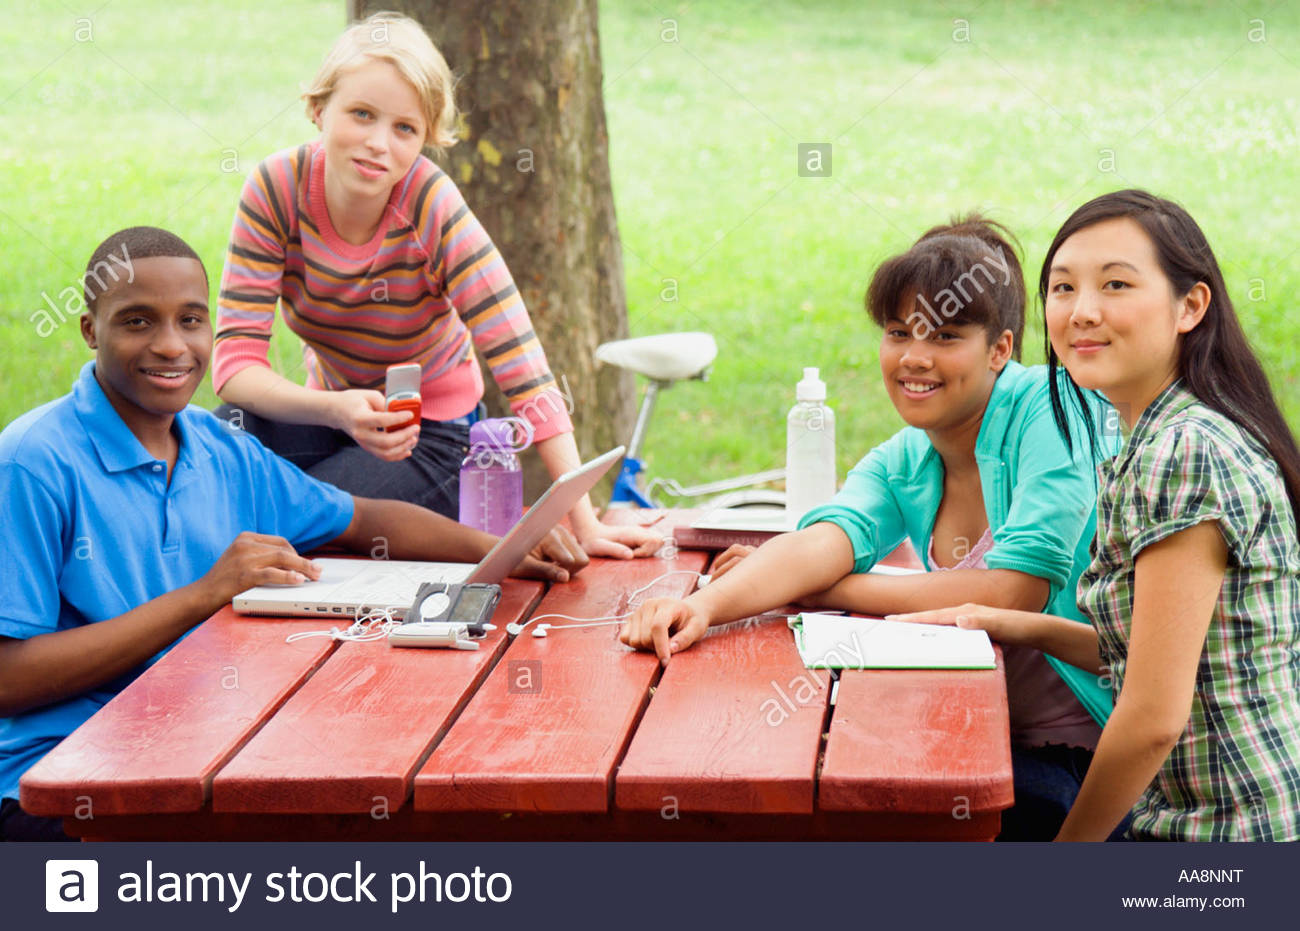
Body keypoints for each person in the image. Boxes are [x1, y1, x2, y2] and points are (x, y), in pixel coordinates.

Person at [0, 227, 587, 841]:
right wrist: (205, 594)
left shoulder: (216, 446)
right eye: (138, 322)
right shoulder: (33, 463)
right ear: (91, 331)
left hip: (199, 754)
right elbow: (9, 679)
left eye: (191, 320)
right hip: (61, 789)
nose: (171, 346)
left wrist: (508, 550)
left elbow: (364, 519)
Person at [621, 216, 1119, 839]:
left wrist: (822, 592)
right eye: (897, 332)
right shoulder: (907, 456)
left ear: (1000, 349)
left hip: (1088, 762)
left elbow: (1013, 592)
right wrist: (702, 606)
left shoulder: (1049, 410)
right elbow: (823, 542)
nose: (914, 356)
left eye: (944, 335)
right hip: (981, 729)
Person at [896, 190, 1300, 841]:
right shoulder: (1143, 436)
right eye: (1062, 288)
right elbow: (1148, 655)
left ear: (1190, 305)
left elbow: (1150, 716)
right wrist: (998, 620)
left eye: (1115, 284)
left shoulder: (1186, 451)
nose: (1082, 312)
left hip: (1228, 846)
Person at [211, 11, 658, 559]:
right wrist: (337, 408)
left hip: (432, 437)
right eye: (361, 114)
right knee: (215, 457)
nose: (379, 143)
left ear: (427, 137)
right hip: (327, 412)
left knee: (298, 520)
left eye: (405, 128)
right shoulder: (275, 190)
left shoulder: (431, 208)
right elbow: (234, 365)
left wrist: (582, 518)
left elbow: (523, 367)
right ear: (317, 108)